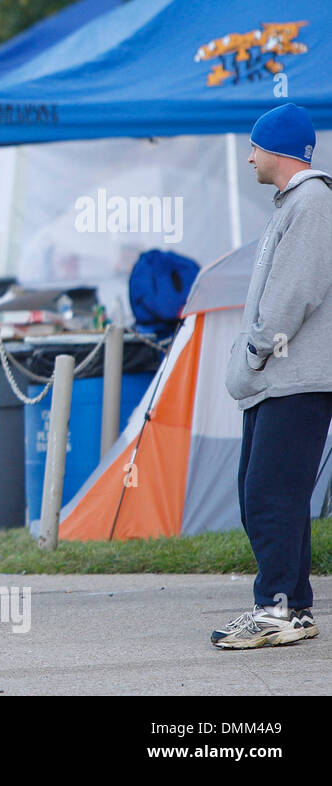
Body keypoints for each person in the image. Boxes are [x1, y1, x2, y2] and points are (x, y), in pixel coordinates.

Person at [215, 103, 331, 649]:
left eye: (255, 147)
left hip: (296, 378)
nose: (248, 158)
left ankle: (280, 608)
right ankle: (292, 607)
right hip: (278, 380)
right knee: (261, 492)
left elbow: (292, 296)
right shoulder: (295, 204)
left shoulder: (312, 203)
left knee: (271, 494)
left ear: (277, 149)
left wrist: (256, 352)